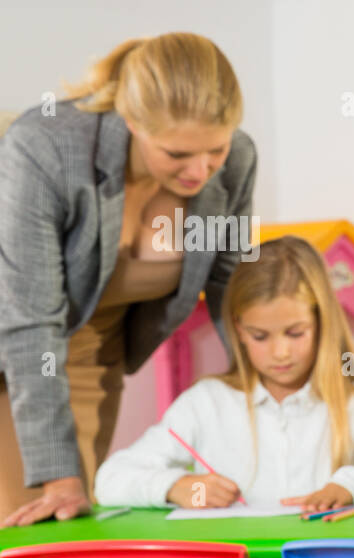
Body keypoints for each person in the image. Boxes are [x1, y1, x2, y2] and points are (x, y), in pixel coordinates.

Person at [1, 33, 257, 527]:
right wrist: (57, 474)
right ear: (132, 122)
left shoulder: (236, 162)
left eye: (215, 149)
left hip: (96, 351)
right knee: (28, 520)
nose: (200, 170)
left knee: (74, 520)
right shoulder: (46, 150)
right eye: (178, 154)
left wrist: (267, 387)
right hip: (22, 342)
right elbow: (30, 320)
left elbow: (233, 288)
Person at [94, 237, 354, 510]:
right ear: (238, 329)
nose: (280, 352)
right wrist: (176, 486)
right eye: (260, 336)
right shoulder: (205, 403)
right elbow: (109, 480)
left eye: (295, 333)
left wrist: (351, 484)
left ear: (321, 324)